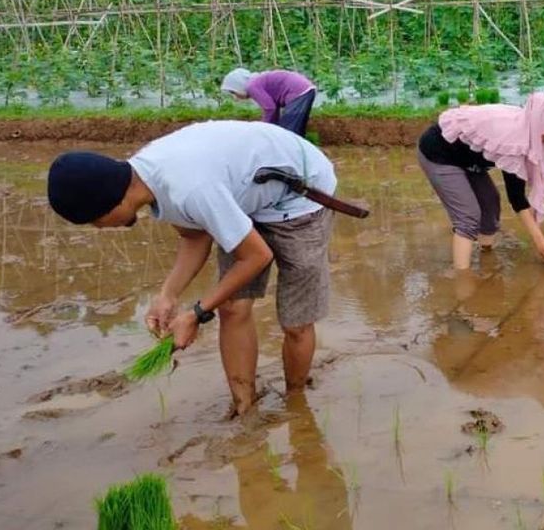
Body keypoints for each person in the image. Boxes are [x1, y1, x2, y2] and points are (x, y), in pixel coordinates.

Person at [45, 121, 337, 417]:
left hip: (299, 195)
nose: (99, 228)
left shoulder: (190, 189)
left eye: (96, 221)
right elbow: (194, 236)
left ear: (113, 202)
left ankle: (296, 404)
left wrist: (196, 314)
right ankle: (244, 407)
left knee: (296, 322)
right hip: (245, 193)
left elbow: (256, 257)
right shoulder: (149, 183)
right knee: (232, 307)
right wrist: (168, 295)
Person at [417, 93, 544, 270]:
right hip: (439, 153)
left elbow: (516, 196)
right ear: (540, 122)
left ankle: (486, 255)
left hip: (469, 159)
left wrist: (539, 238)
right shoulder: (512, 138)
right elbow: (517, 199)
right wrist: (539, 240)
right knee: (468, 217)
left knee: (490, 203)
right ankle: (462, 278)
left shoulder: (527, 129)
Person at [222, 68, 317, 137]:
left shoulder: (251, 86)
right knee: (294, 131)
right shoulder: (256, 82)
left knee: (288, 134)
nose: (235, 97)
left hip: (299, 93)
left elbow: (270, 108)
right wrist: (271, 127)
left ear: (238, 85)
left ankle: (290, 157)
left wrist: (263, 128)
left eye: (233, 92)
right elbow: (274, 109)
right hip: (305, 90)